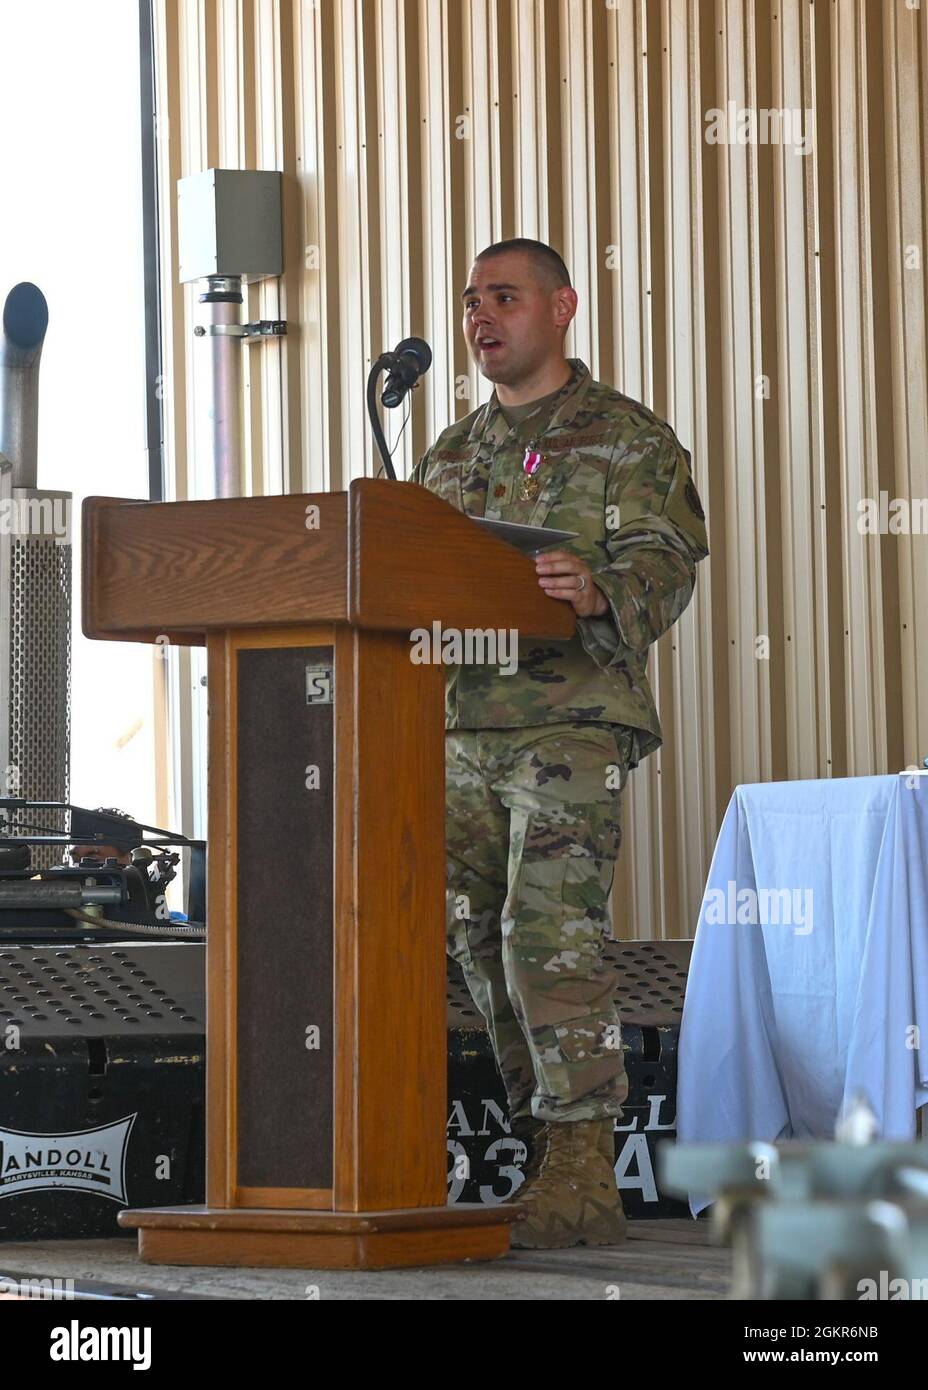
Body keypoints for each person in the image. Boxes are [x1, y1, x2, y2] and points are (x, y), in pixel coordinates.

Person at [410, 237, 709, 1249]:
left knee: (548, 937)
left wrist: (599, 590)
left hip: (571, 721)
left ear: (562, 306)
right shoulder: (450, 454)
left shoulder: (624, 436)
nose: (480, 317)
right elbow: (403, 577)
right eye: (469, 301)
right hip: (462, 727)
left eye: (503, 296)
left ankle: (585, 1167)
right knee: (481, 947)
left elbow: (665, 560)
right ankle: (545, 1151)